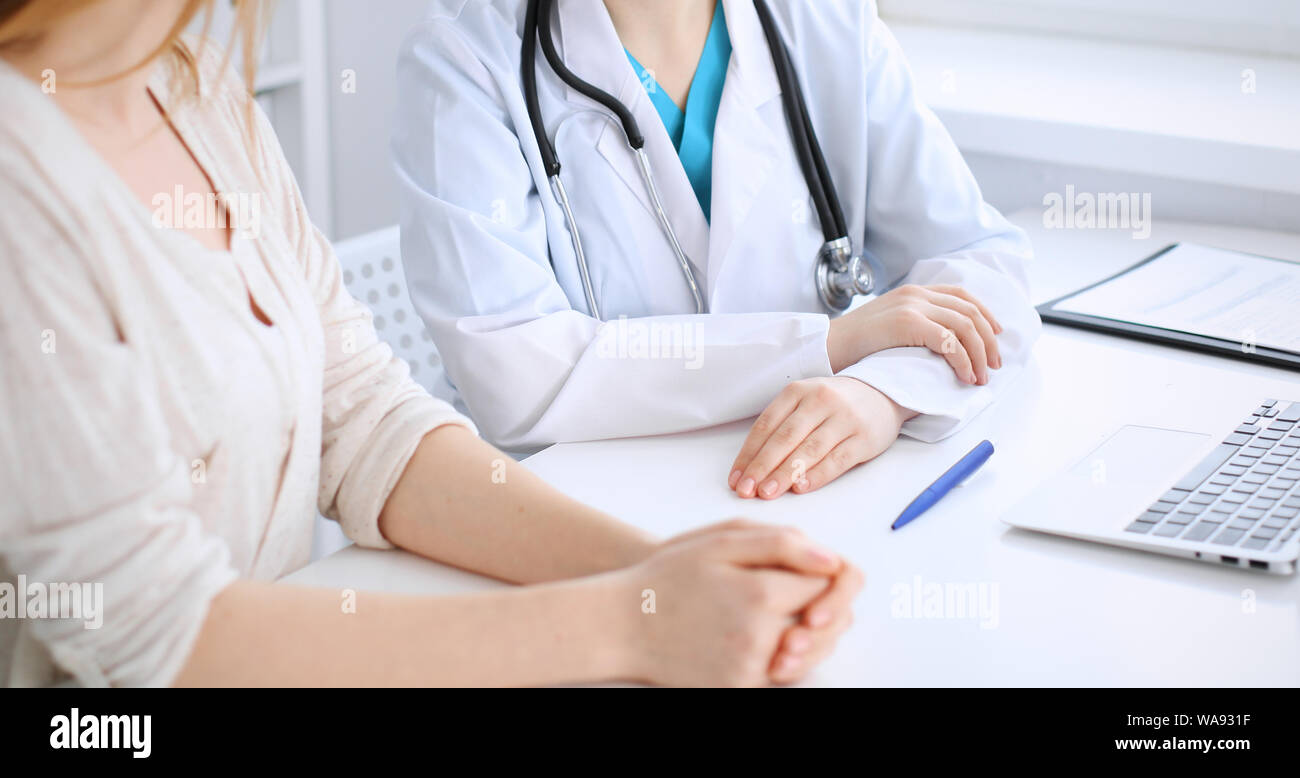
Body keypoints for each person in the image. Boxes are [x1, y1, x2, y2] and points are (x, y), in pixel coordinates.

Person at [0, 0, 859, 687]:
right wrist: (633, 619)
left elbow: (364, 423)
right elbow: (160, 640)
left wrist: (664, 570)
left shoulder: (195, 86)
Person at [395, 0, 1041, 500]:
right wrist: (824, 346)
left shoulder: (818, 19)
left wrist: (884, 391)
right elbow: (515, 378)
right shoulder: (463, 58)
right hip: (569, 519)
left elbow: (984, 263)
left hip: (806, 496)